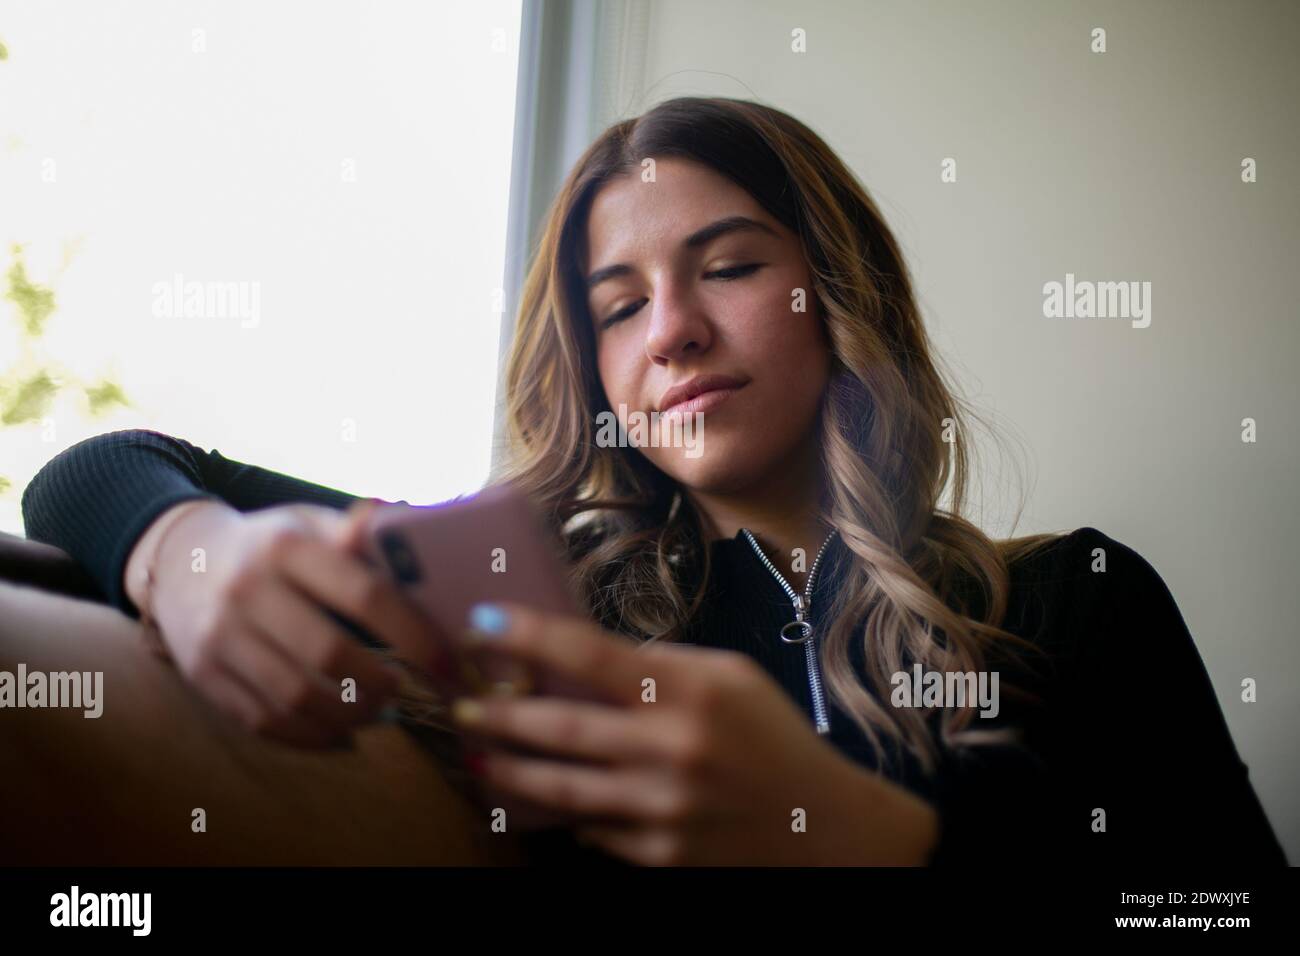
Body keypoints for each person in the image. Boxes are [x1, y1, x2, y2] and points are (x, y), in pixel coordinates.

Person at [21, 96, 1287, 867]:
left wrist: (887, 846)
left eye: (726, 267)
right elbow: (99, 470)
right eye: (617, 306)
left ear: (834, 292)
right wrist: (184, 555)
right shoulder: (543, 603)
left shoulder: (1078, 602)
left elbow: (1218, 907)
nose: (669, 330)